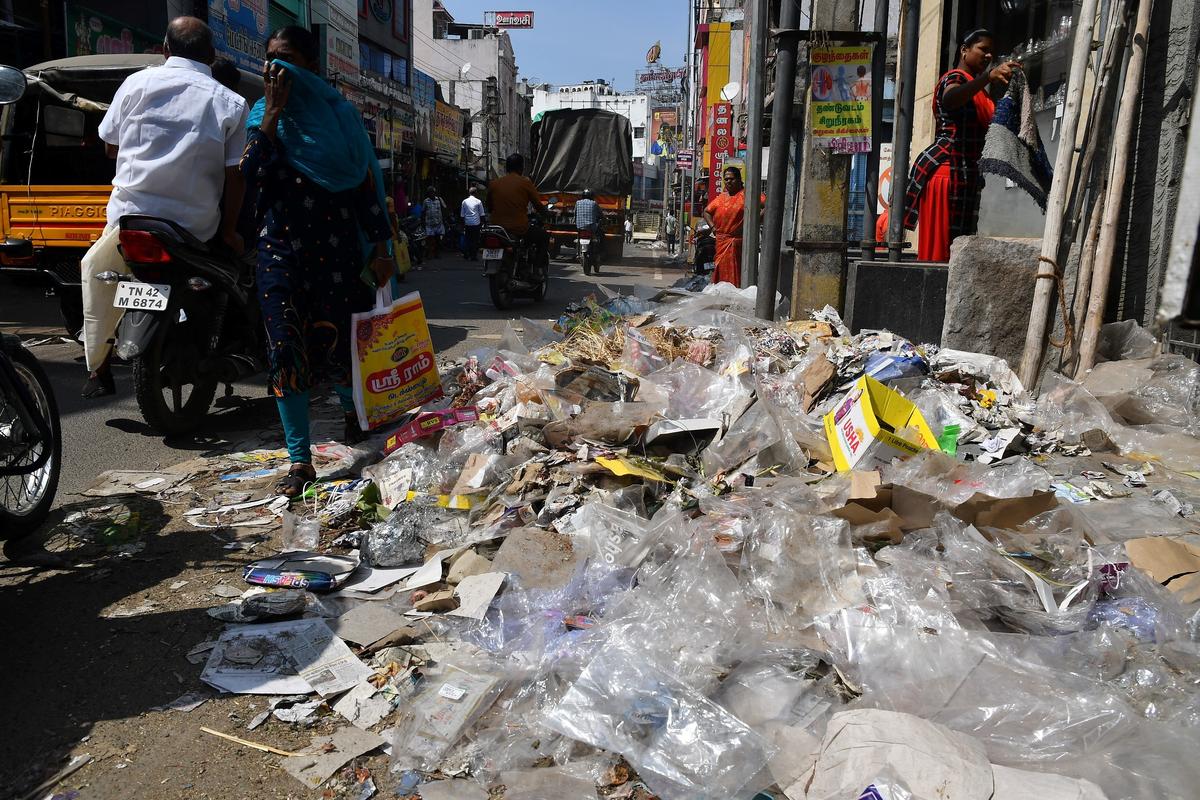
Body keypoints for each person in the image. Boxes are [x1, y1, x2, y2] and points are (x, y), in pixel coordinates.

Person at [242, 26, 395, 497]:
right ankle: (299, 460)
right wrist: (272, 121)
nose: (275, 69)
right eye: (269, 58)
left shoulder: (341, 116)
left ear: (310, 66)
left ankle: (354, 413)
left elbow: (364, 184)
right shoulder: (265, 115)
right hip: (280, 251)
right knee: (285, 350)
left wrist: (381, 247)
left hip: (337, 253)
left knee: (347, 344)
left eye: (285, 59)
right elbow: (251, 176)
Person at [79, 16, 247, 398]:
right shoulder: (232, 102)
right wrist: (230, 231)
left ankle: (97, 365)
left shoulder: (136, 83)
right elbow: (235, 175)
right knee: (236, 273)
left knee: (96, 271)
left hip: (129, 218)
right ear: (212, 55)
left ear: (164, 50)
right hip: (195, 227)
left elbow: (109, 145)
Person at [903, 29, 1019, 262]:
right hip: (948, 173)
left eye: (991, 53)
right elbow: (950, 98)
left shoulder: (978, 91)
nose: (988, 56)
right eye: (983, 50)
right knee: (943, 254)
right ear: (964, 50)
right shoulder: (954, 78)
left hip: (964, 174)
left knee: (957, 253)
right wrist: (987, 77)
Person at [702, 166, 765, 287]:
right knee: (720, 275)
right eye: (726, 179)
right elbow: (706, 211)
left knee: (737, 276)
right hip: (721, 241)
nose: (728, 182)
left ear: (739, 179)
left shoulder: (748, 195)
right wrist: (713, 227)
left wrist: (754, 222)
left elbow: (768, 204)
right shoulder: (721, 198)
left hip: (738, 243)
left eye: (731, 179)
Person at [486, 152, 547, 261]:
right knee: (543, 236)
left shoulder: (494, 184)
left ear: (506, 168)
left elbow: (489, 207)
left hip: (496, 228)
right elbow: (538, 205)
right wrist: (546, 213)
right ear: (521, 168)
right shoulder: (525, 183)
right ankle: (538, 270)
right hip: (518, 229)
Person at [460, 187, 484, 260]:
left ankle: (467, 254)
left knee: (468, 239)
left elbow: (462, 215)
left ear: (469, 193)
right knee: (475, 240)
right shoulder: (478, 201)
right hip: (476, 224)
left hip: (467, 224)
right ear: (476, 193)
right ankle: (473, 256)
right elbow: (482, 214)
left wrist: (462, 224)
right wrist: (482, 224)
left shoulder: (464, 201)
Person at [422, 186, 447, 259]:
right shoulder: (426, 201)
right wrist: (423, 222)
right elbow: (423, 212)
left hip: (438, 223)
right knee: (430, 240)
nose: (431, 194)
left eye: (432, 192)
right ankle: (429, 253)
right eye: (430, 192)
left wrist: (444, 220)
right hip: (429, 224)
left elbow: (444, 208)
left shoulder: (439, 199)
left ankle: (437, 254)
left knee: (438, 240)